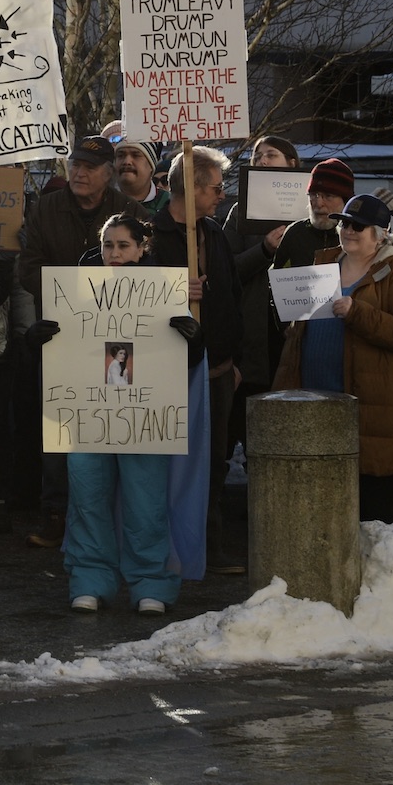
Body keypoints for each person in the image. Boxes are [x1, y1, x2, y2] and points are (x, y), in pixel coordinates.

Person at [38, 214, 199, 614]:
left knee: (145, 502)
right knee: (88, 498)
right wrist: (38, 336)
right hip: (88, 411)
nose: (114, 254)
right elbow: (62, 348)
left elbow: (181, 363)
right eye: (108, 245)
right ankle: (90, 580)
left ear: (143, 248)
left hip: (143, 412)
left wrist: (191, 337)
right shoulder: (76, 289)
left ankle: (151, 585)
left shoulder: (165, 290)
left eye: (123, 245)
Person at [17, 135, 149, 549]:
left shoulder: (131, 212)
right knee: (59, 426)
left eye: (89, 167)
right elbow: (28, 268)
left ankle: (113, 515)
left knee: (115, 419)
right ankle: (56, 512)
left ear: (108, 175)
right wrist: (71, 294)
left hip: (119, 337)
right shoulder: (47, 208)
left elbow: (151, 272)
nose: (78, 172)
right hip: (62, 335)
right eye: (74, 164)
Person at [274, 195, 393, 521]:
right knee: (321, 510)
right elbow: (299, 327)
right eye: (344, 222)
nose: (348, 230)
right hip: (316, 402)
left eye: (358, 225)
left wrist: (359, 313)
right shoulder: (324, 263)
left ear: (381, 234)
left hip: (370, 409)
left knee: (372, 510)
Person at [150, 145, 244, 574]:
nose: (222, 195)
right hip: (170, 371)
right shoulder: (151, 235)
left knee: (214, 463)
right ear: (189, 188)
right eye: (216, 188)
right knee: (170, 464)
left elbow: (232, 297)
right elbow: (126, 298)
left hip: (218, 370)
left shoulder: (215, 233)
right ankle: (165, 548)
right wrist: (174, 294)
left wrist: (233, 359)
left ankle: (210, 544)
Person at [222, 136, 303, 471]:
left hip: (292, 336)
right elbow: (226, 271)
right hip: (252, 339)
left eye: (272, 154)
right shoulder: (240, 211)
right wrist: (265, 250)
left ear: (292, 165)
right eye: (258, 155)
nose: (263, 160)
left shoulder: (311, 210)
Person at [274, 158, 352, 270]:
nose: (319, 203)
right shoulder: (295, 234)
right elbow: (276, 278)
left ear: (346, 200)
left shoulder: (355, 236)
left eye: (328, 196)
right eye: (313, 195)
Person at [102, 120, 169, 215]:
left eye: (135, 155)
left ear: (151, 165)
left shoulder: (170, 205)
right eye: (121, 155)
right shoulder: (100, 202)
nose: (127, 162)